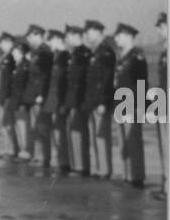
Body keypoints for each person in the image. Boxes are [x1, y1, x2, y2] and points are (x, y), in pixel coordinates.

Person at [112, 22, 149, 188]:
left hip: (132, 104)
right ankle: (127, 174)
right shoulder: (123, 56)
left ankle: (136, 176)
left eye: (119, 36)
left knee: (133, 140)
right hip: (121, 104)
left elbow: (142, 83)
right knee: (123, 142)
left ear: (127, 36)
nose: (116, 39)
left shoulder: (136, 57)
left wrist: (140, 107)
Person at [82, 19, 116, 179]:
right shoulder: (96, 52)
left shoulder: (106, 52)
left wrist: (103, 102)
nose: (87, 35)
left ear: (98, 32)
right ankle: (98, 168)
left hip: (101, 102)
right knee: (95, 135)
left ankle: (105, 170)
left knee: (102, 136)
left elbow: (107, 79)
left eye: (90, 31)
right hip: (93, 101)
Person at [21, 24, 52, 172]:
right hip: (34, 97)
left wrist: (40, 95)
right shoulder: (37, 53)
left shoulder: (44, 53)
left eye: (30, 36)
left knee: (40, 128)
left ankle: (41, 158)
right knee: (36, 128)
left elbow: (45, 76)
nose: (28, 39)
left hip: (40, 97)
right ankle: (38, 156)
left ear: (37, 35)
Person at [63, 24, 91, 176]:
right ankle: (77, 165)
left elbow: (83, 81)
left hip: (79, 100)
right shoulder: (75, 54)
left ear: (76, 36)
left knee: (79, 133)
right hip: (73, 100)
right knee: (74, 133)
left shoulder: (83, 54)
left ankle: (81, 167)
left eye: (68, 36)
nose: (66, 39)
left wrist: (80, 101)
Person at [43, 28, 71, 175]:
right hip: (53, 99)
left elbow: (65, 81)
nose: (49, 43)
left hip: (59, 99)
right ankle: (59, 160)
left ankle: (63, 161)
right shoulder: (56, 56)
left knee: (61, 132)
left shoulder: (65, 56)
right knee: (56, 131)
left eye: (51, 39)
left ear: (58, 39)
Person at [0, 31, 19, 159]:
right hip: (3, 95)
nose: (0, 45)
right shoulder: (5, 57)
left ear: (9, 42)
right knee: (5, 124)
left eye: (3, 42)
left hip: (8, 95)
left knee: (8, 124)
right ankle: (9, 149)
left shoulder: (12, 57)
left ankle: (12, 150)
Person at [153, 12, 168, 200]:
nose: (158, 31)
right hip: (163, 105)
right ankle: (166, 185)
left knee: (168, 147)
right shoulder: (165, 50)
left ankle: (169, 187)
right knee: (164, 147)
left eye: (162, 27)